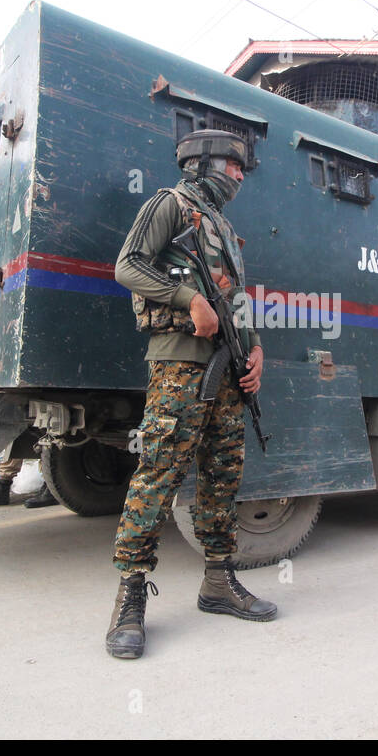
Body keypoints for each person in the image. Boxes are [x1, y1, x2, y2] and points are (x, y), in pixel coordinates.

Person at [104, 129, 273, 660]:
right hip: (180, 363)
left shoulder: (222, 225)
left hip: (227, 370)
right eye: (233, 165)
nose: (240, 176)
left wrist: (255, 347)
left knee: (223, 473)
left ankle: (219, 582)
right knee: (160, 470)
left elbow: (235, 300)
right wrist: (187, 298)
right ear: (201, 163)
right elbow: (127, 265)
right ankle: (130, 596)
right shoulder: (169, 205)